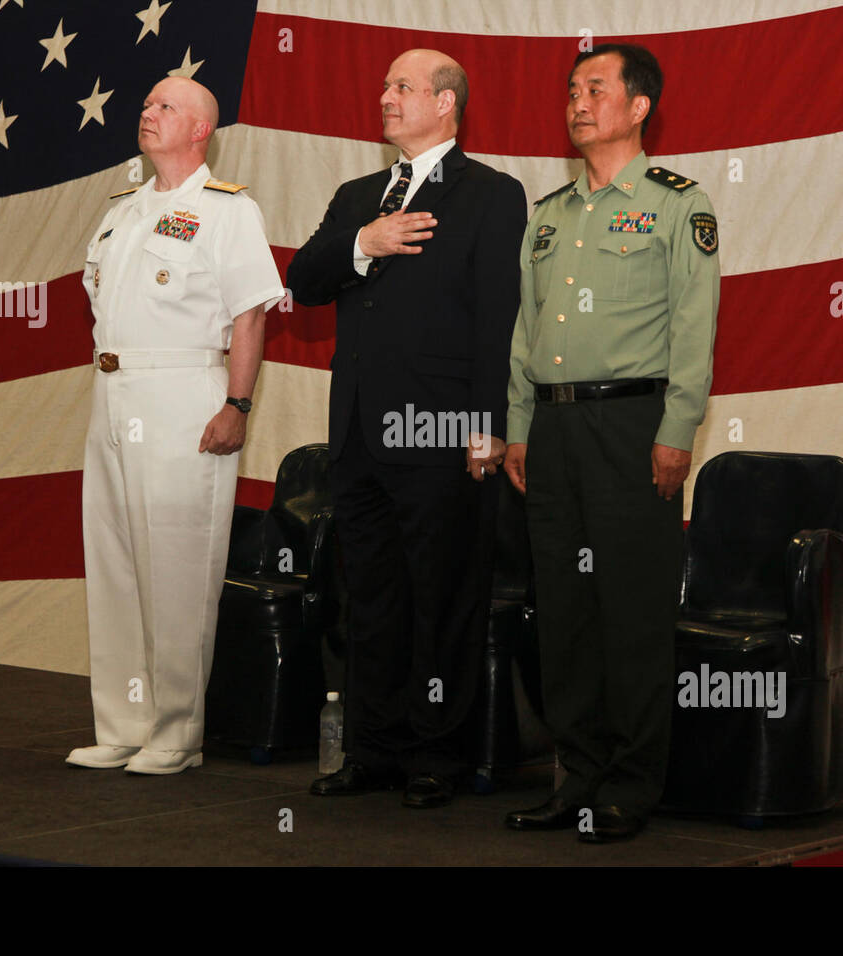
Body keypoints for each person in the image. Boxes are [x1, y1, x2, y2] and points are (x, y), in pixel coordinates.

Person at [286, 49, 526, 808]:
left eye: (402, 86)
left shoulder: (491, 194)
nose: (384, 95)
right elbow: (304, 279)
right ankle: (373, 750)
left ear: (447, 102)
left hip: (444, 429)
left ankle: (436, 758)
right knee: (371, 598)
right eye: (385, 84)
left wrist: (490, 427)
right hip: (358, 434)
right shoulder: (361, 194)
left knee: (442, 597)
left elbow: (499, 321)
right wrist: (366, 243)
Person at [502, 44, 720, 841]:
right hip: (554, 429)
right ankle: (577, 776)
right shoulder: (550, 214)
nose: (578, 100)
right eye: (571, 88)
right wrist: (519, 425)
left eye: (597, 88)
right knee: (563, 610)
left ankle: (631, 783)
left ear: (638, 109)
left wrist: (676, 432)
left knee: (630, 609)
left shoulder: (676, 204)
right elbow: (526, 329)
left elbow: (695, 329)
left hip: (634, 425)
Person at [66, 76, 285, 775]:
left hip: (185, 390)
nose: (146, 110)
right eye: (147, 100)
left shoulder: (228, 211)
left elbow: (250, 313)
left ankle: (176, 732)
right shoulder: (122, 209)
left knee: (178, 566)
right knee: (117, 562)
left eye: (163, 105)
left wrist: (239, 405)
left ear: (199, 129)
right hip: (112, 391)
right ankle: (123, 722)